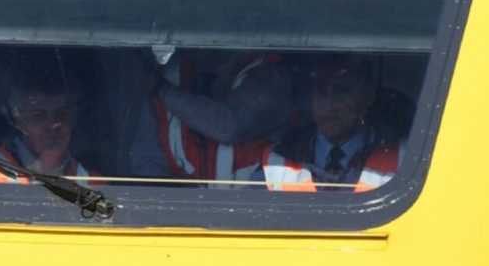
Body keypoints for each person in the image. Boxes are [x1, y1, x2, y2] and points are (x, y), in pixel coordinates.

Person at [246, 52, 402, 192]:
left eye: (342, 90)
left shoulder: (404, 160)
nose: (329, 104)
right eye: (320, 90)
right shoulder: (278, 159)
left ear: (368, 96)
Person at [138, 48, 292, 184]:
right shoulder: (170, 76)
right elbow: (148, 164)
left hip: (259, 199)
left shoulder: (272, 75)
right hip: (196, 207)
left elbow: (228, 127)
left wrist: (162, 90)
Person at [0, 59, 94, 183]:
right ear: (16, 119)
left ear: (75, 117)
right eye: (39, 115)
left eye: (62, 113)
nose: (53, 124)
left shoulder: (92, 181)